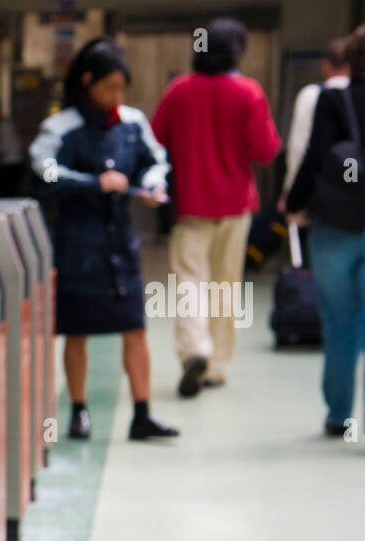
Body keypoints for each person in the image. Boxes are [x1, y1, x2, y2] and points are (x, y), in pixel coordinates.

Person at [29, 36, 178, 441]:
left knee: (135, 327)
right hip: (78, 245)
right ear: (87, 82)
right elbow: (44, 171)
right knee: (76, 331)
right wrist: (94, 183)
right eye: (108, 87)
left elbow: (156, 161)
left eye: (121, 89)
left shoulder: (132, 123)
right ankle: (78, 410)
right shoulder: (61, 127)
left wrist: (151, 184)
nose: (116, 96)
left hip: (120, 245)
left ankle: (142, 413)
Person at [287, 21, 365, 454]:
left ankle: (339, 415)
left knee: (339, 323)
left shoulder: (334, 100)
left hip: (335, 227)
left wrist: (293, 204)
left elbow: (316, 157)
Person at [150, 17, 281, 397]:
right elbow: (266, 149)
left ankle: (195, 349)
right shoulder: (249, 92)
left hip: (191, 204)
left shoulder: (180, 90)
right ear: (237, 51)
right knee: (225, 285)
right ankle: (218, 365)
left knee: (190, 281)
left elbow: (155, 138)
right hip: (236, 205)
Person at [279, 37, 350, 213]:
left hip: (318, 189)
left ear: (325, 64)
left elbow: (298, 146)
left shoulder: (312, 94)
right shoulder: (362, 97)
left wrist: (291, 190)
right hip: (356, 191)